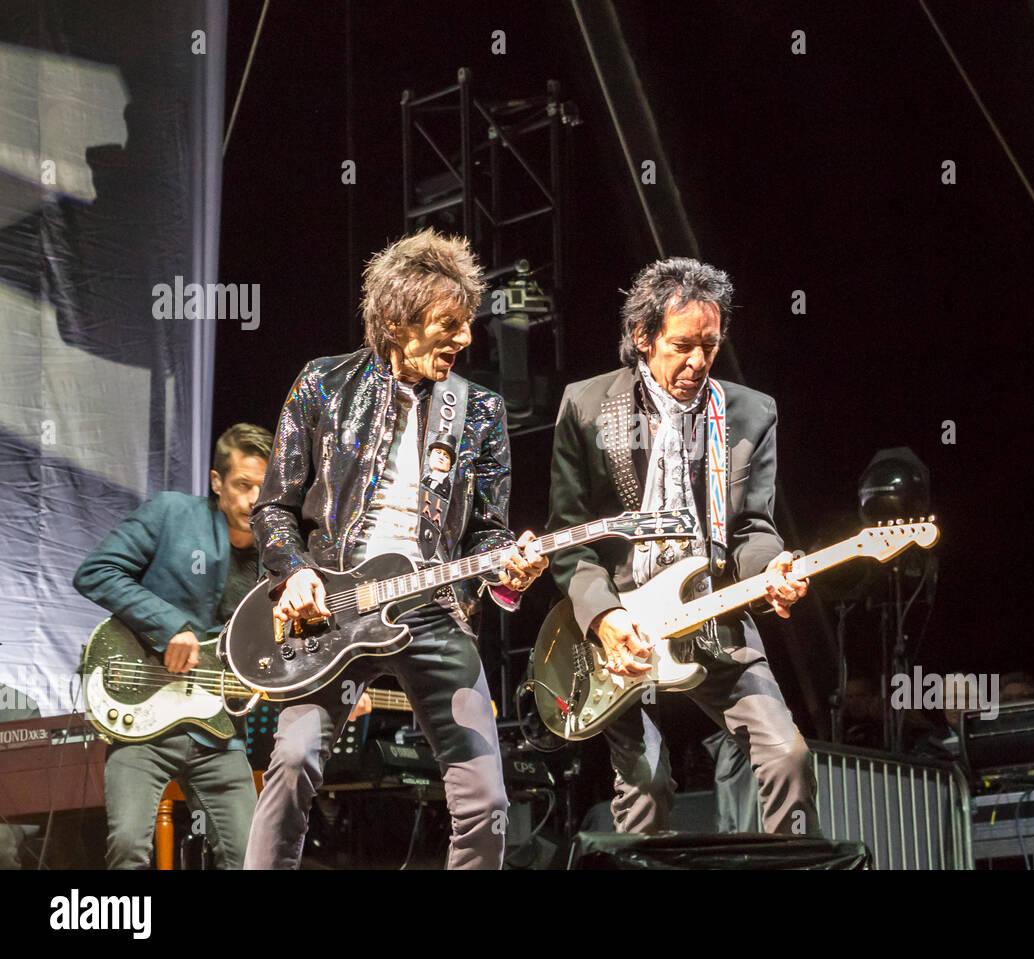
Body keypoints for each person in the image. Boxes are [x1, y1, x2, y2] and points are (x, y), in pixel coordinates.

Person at [243, 229, 547, 870]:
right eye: (448, 324)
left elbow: (489, 533)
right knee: (294, 761)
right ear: (393, 320)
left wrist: (510, 570)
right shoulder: (323, 384)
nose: (465, 339)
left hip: (435, 610)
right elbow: (274, 505)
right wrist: (295, 572)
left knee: (488, 800)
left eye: (468, 323)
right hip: (334, 609)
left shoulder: (481, 411)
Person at [547, 257, 817, 835]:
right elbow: (567, 536)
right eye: (682, 345)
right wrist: (603, 616)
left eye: (710, 346)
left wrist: (774, 570)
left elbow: (752, 529)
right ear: (643, 339)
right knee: (646, 785)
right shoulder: (586, 406)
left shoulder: (749, 413)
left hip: (712, 610)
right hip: (625, 626)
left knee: (789, 757)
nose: (698, 361)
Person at [73, 423, 270, 868]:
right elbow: (96, 571)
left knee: (251, 858)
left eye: (263, 487)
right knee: (128, 849)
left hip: (220, 732)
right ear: (217, 482)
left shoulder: (276, 559)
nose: (254, 500)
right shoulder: (172, 513)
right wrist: (170, 627)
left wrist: (339, 684)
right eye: (242, 485)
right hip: (141, 719)